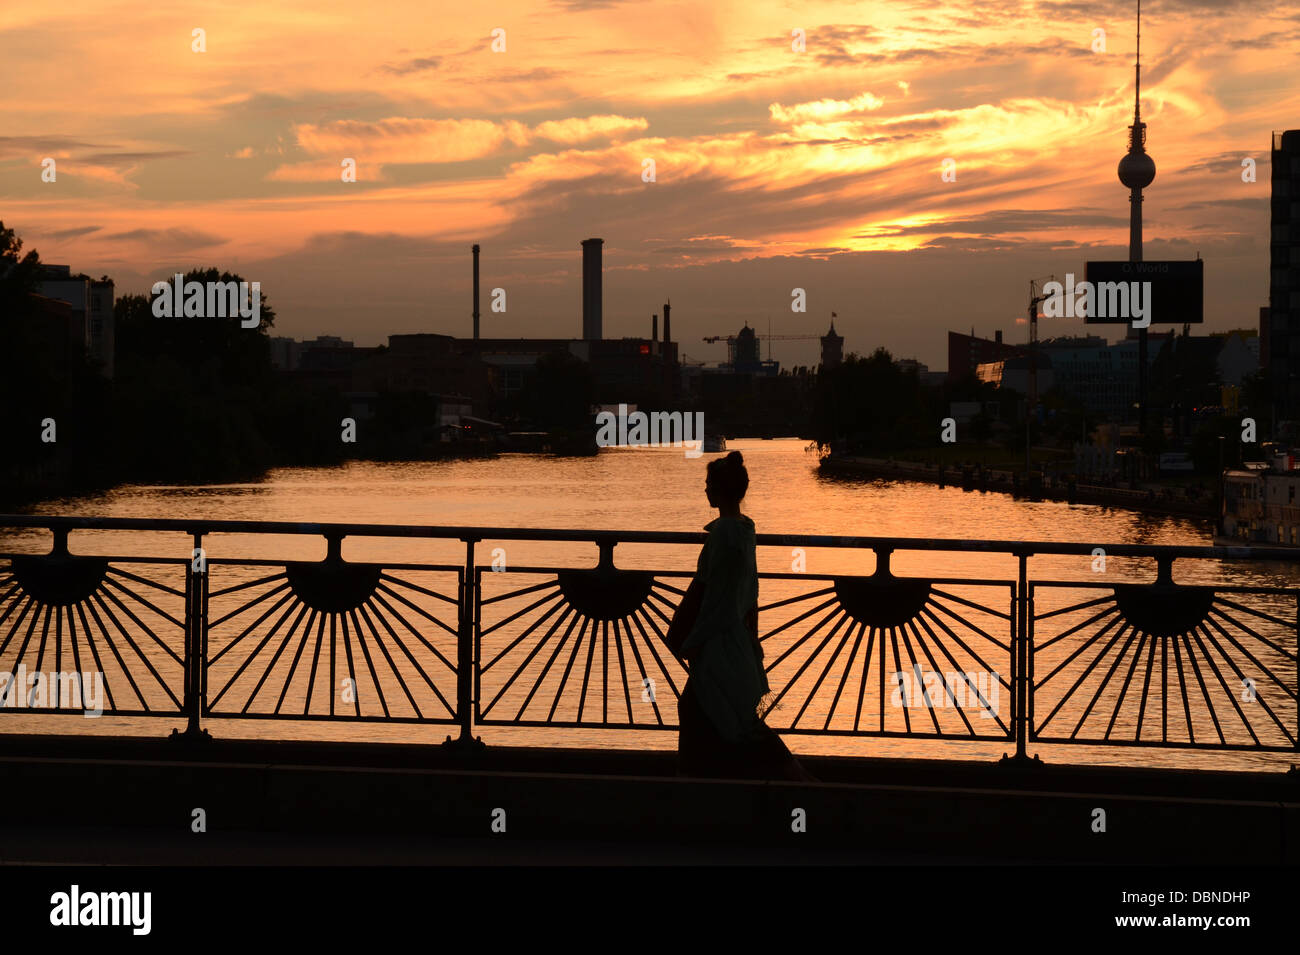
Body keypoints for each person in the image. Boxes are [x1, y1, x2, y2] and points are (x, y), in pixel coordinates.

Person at [676, 451, 815, 782]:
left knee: (723, 716)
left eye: (709, 484)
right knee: (723, 713)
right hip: (737, 637)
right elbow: (748, 591)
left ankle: (689, 789)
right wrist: (752, 634)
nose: (705, 489)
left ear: (721, 489)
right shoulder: (744, 529)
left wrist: (692, 639)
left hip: (719, 642)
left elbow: (716, 598)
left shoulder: (723, 534)